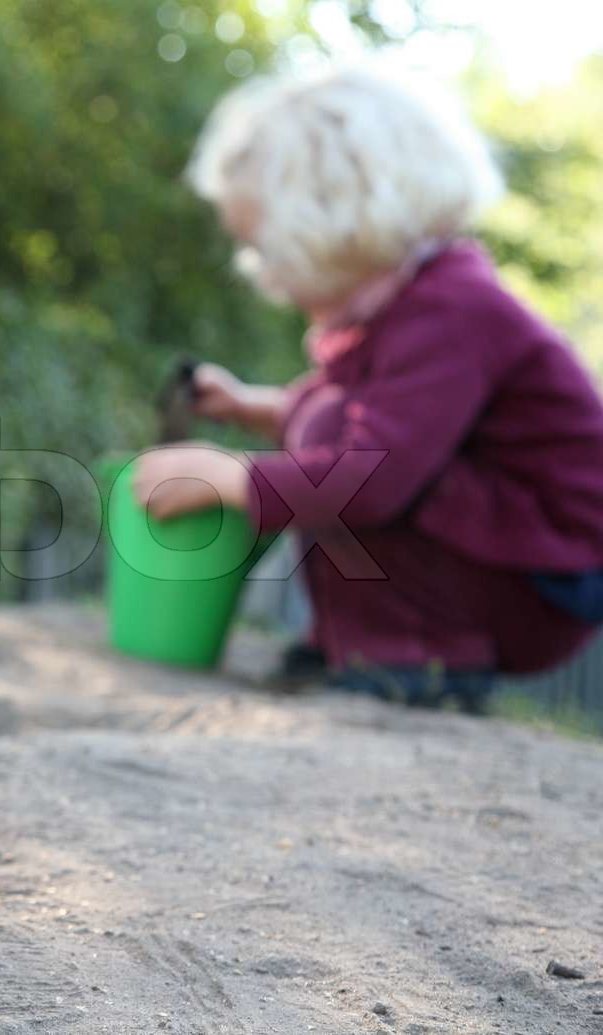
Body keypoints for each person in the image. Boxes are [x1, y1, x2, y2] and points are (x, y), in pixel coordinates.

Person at [132, 64, 603, 710]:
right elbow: (377, 419)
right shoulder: (409, 307)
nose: (261, 275)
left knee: (336, 446)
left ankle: (416, 656)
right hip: (507, 551)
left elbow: (372, 475)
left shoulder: (452, 313)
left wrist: (231, 478)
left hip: (547, 576)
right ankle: (351, 642)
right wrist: (250, 405)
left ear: (328, 230)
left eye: (264, 250)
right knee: (325, 419)